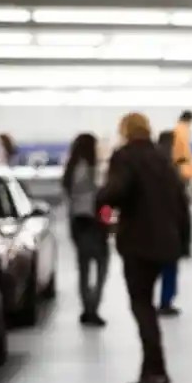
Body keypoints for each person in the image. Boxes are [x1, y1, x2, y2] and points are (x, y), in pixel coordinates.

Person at [98, 113, 191, 383]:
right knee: (147, 306)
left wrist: (100, 198)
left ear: (125, 130)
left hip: (138, 243)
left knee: (142, 306)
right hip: (166, 242)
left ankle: (155, 371)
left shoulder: (124, 156)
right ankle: (153, 369)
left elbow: (117, 191)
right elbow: (180, 201)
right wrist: (184, 242)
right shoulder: (163, 157)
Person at [62, 133, 110, 327]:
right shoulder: (91, 170)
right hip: (93, 222)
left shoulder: (71, 169)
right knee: (101, 265)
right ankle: (93, 308)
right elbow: (103, 197)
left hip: (76, 221)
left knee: (83, 267)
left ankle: (86, 308)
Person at [156, 130, 181, 317]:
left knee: (159, 266)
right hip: (167, 225)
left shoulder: (153, 164)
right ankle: (165, 301)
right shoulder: (168, 167)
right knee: (168, 266)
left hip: (157, 225)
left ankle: (164, 300)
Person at [171, 110, 192, 185]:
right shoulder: (183, 129)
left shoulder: (177, 128)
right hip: (182, 164)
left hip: (177, 163)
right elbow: (185, 148)